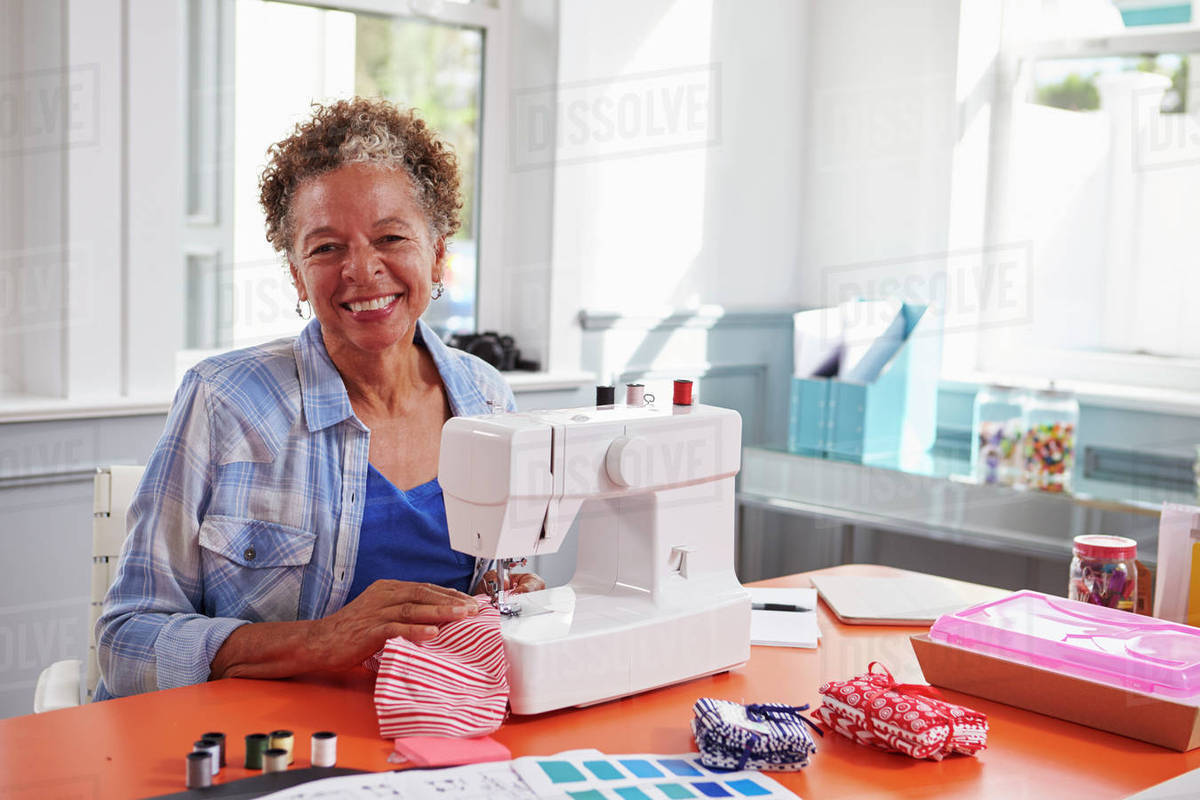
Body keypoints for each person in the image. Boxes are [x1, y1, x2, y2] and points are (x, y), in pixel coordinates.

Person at [96, 98, 542, 699]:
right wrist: (323, 639)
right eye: (326, 247)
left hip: (441, 730)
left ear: (437, 254)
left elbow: (504, 587)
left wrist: (516, 607)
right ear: (296, 273)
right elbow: (127, 640)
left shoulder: (489, 399)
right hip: (264, 741)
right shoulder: (223, 402)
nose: (361, 270)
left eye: (390, 236)